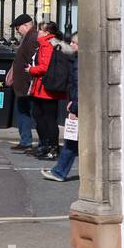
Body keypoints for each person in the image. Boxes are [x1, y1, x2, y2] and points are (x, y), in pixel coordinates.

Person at [25, 20, 67, 160]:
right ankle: (46, 145)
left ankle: (52, 148)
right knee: (38, 115)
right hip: (42, 87)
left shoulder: (48, 44)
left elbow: (45, 67)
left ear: (48, 33)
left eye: (41, 30)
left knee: (48, 118)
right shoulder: (46, 43)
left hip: (47, 88)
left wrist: (31, 69)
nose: (38, 33)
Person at [43, 32, 80, 182]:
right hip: (77, 103)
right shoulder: (78, 59)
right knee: (74, 141)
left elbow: (80, 86)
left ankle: (59, 172)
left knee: (71, 141)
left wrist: (75, 108)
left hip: (79, 107)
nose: (71, 45)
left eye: (73, 43)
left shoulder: (80, 62)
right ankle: (59, 171)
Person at [6, 13, 38, 153]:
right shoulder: (28, 37)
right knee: (23, 111)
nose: (17, 31)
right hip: (23, 84)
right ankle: (25, 141)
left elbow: (34, 61)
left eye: (18, 28)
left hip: (28, 83)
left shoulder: (32, 37)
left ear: (26, 25)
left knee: (35, 113)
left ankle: (41, 144)